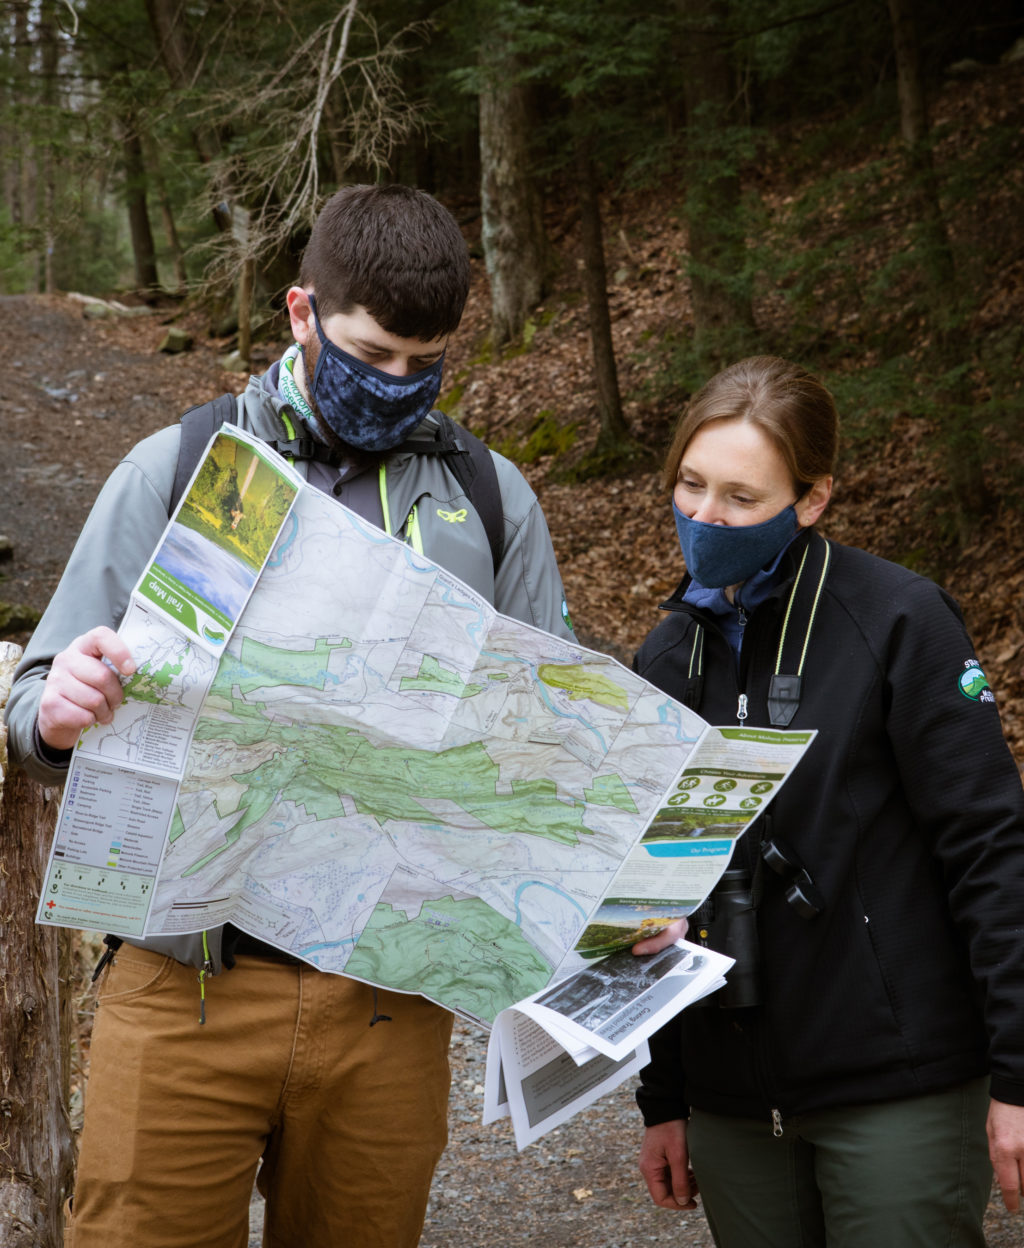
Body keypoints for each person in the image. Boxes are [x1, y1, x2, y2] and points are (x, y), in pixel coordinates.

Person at [5, 184, 579, 1248]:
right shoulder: (175, 467)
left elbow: (552, 741)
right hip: (186, 988)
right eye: (371, 353)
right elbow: (34, 700)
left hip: (384, 1004)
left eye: (426, 362)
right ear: (300, 311)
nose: (397, 385)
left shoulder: (491, 503)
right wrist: (60, 710)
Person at [633, 356, 1024, 1246]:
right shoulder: (665, 657)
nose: (704, 517)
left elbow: (991, 849)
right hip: (732, 1105)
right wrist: (664, 1098)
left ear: (811, 500)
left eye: (740, 497)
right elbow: (645, 889)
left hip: (900, 1089)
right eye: (690, 485)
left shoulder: (898, 621)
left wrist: (1018, 1075)